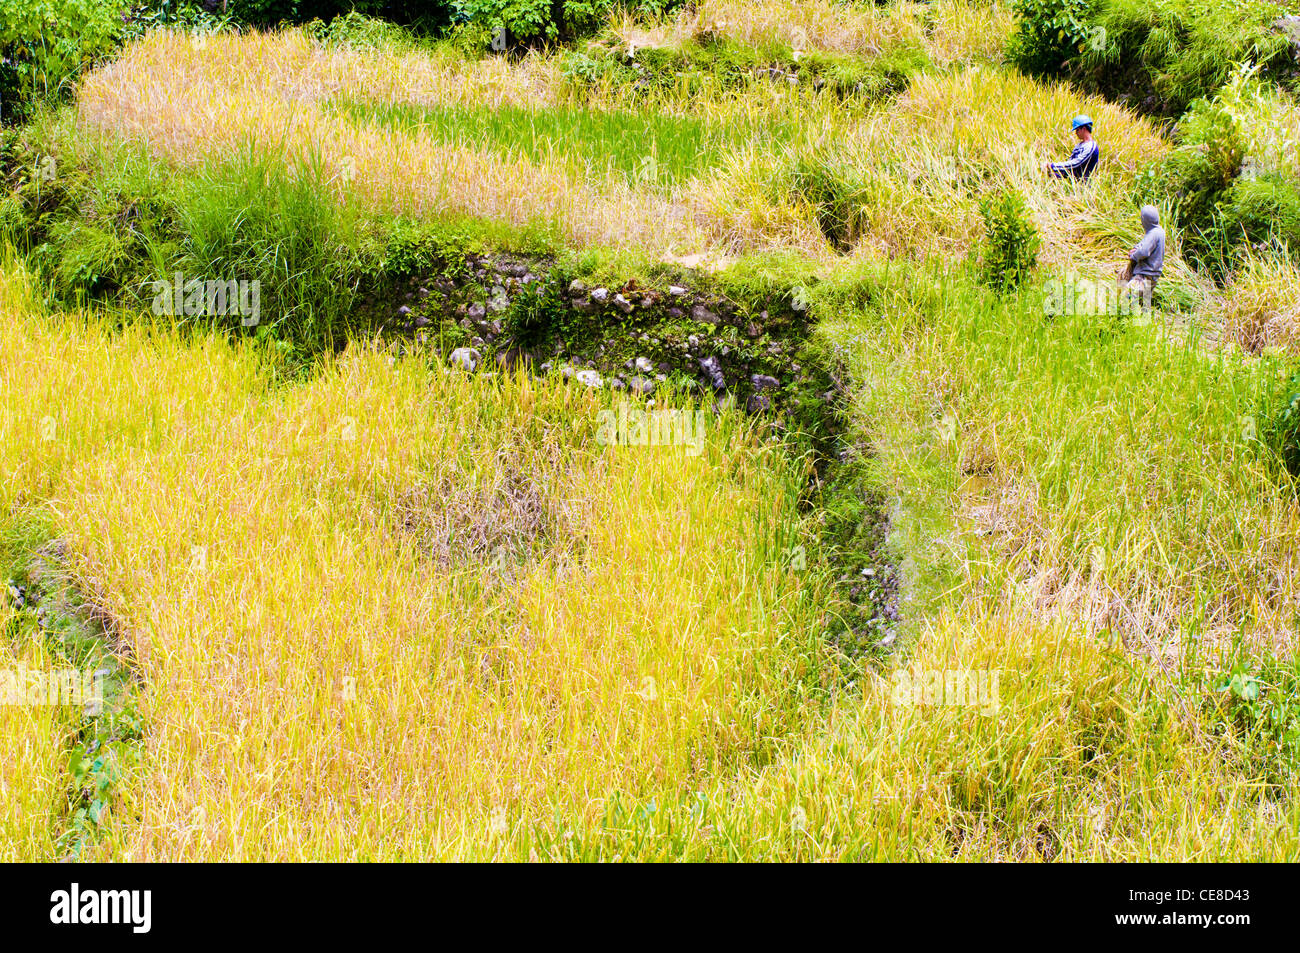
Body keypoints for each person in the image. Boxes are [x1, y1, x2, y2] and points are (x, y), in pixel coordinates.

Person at [1119, 205, 1165, 311]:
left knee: (1126, 297)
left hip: (1145, 275)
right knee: (1142, 304)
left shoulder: (1153, 233)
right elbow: (1145, 245)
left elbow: (1144, 251)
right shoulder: (1159, 231)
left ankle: (1124, 322)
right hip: (1153, 275)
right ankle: (1142, 323)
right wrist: (1136, 248)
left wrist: (1134, 255)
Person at [1044, 115, 1100, 180]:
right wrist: (1054, 175)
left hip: (1085, 185)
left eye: (1077, 130)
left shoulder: (1091, 147)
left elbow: (1077, 163)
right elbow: (1070, 168)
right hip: (1074, 183)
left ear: (1084, 129)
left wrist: (1053, 166)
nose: (1076, 133)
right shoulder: (1079, 145)